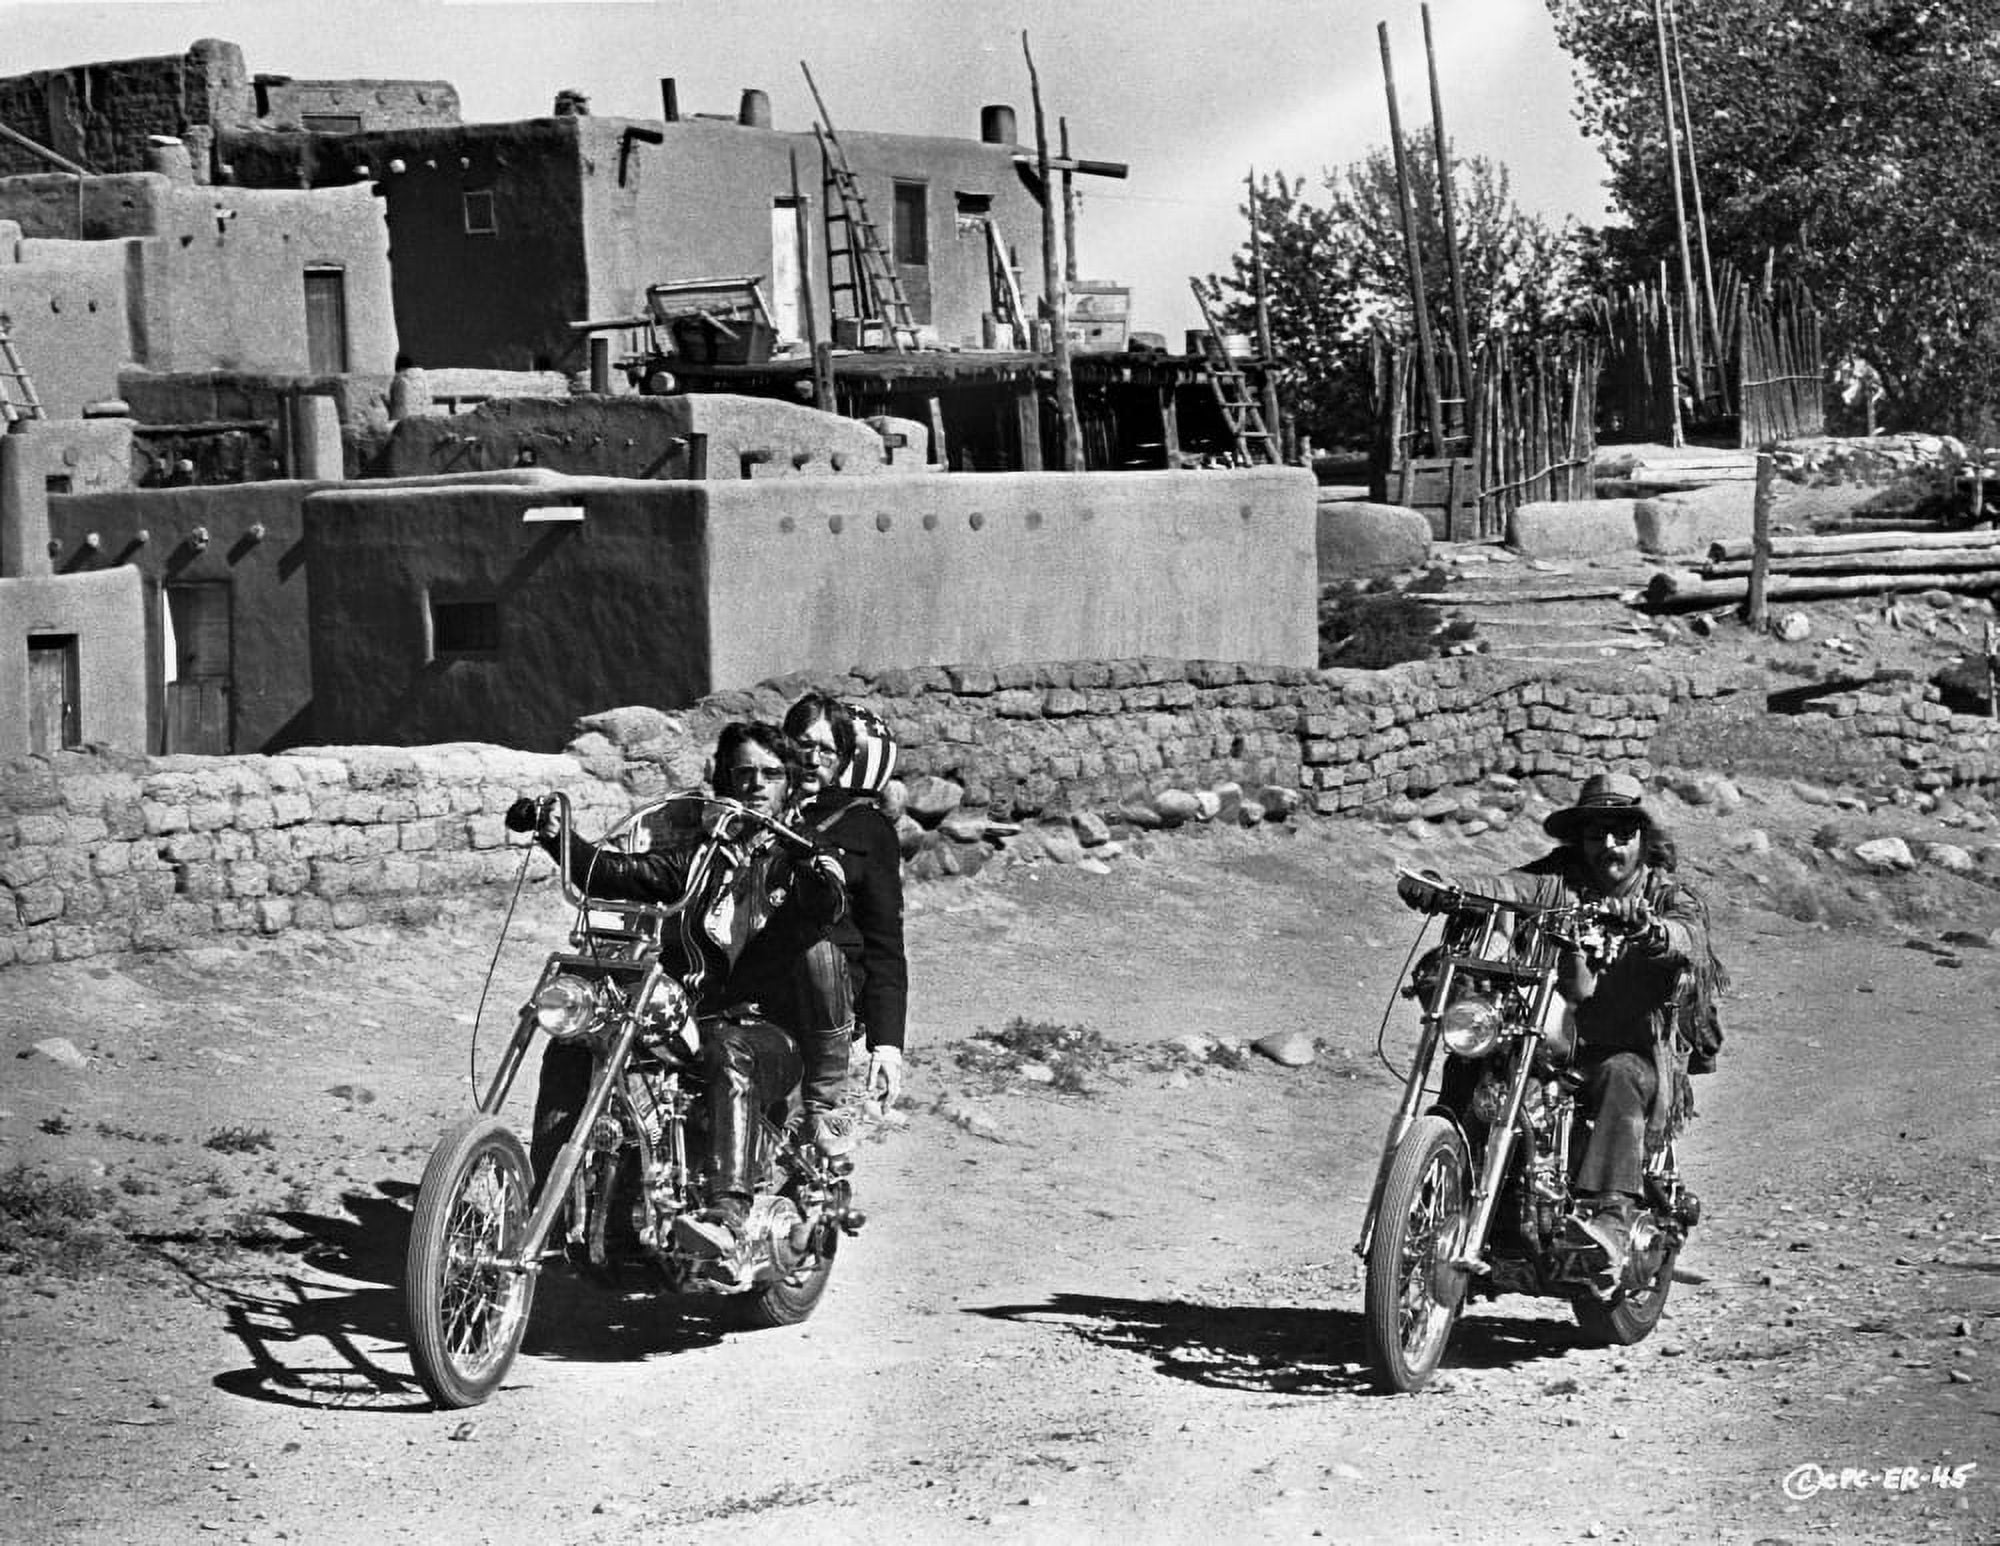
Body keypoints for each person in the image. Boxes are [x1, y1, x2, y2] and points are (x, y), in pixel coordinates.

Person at [516, 721, 853, 1252]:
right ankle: (550, 1207)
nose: (756, 785)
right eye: (743, 773)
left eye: (771, 774)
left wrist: (812, 862)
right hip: (688, 1017)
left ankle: (730, 1213)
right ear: (724, 781)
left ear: (790, 784)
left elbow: (828, 902)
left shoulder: (804, 856)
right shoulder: (701, 858)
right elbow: (615, 874)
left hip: (767, 1030)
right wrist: (558, 838)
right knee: (573, 1046)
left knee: (728, 1051)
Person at [1396, 769, 1707, 1274]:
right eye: (1594, 833)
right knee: (1474, 1060)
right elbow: (1502, 887)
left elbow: (1688, 937)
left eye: (1623, 833)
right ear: (1579, 838)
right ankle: (1444, 1174)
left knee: (1621, 1073)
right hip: (1549, 1033)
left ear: (1643, 838)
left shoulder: (1665, 894)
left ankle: (1610, 1214)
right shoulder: (1558, 878)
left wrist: (1652, 930)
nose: (1609, 845)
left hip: (1626, 1044)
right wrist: (1446, 889)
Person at [780, 694, 909, 1114]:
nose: (813, 759)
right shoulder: (756, 805)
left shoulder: (866, 829)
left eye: (827, 750)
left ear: (842, 759)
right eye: (803, 745)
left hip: (821, 992)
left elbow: (885, 941)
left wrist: (887, 1045)